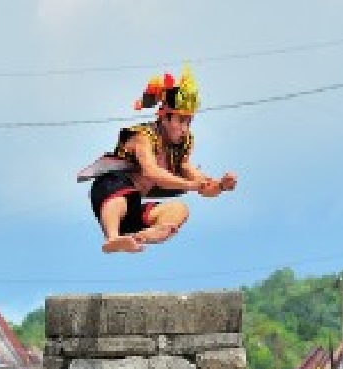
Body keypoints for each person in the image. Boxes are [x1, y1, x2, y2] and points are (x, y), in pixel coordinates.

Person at [79, 65, 237, 253]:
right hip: (108, 193)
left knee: (180, 209)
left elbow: (200, 183)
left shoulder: (183, 146)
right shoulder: (143, 137)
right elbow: (152, 172)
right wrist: (192, 185)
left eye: (189, 121)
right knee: (123, 196)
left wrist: (219, 186)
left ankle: (140, 236)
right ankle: (112, 238)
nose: (185, 128)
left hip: (133, 209)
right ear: (164, 118)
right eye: (180, 121)